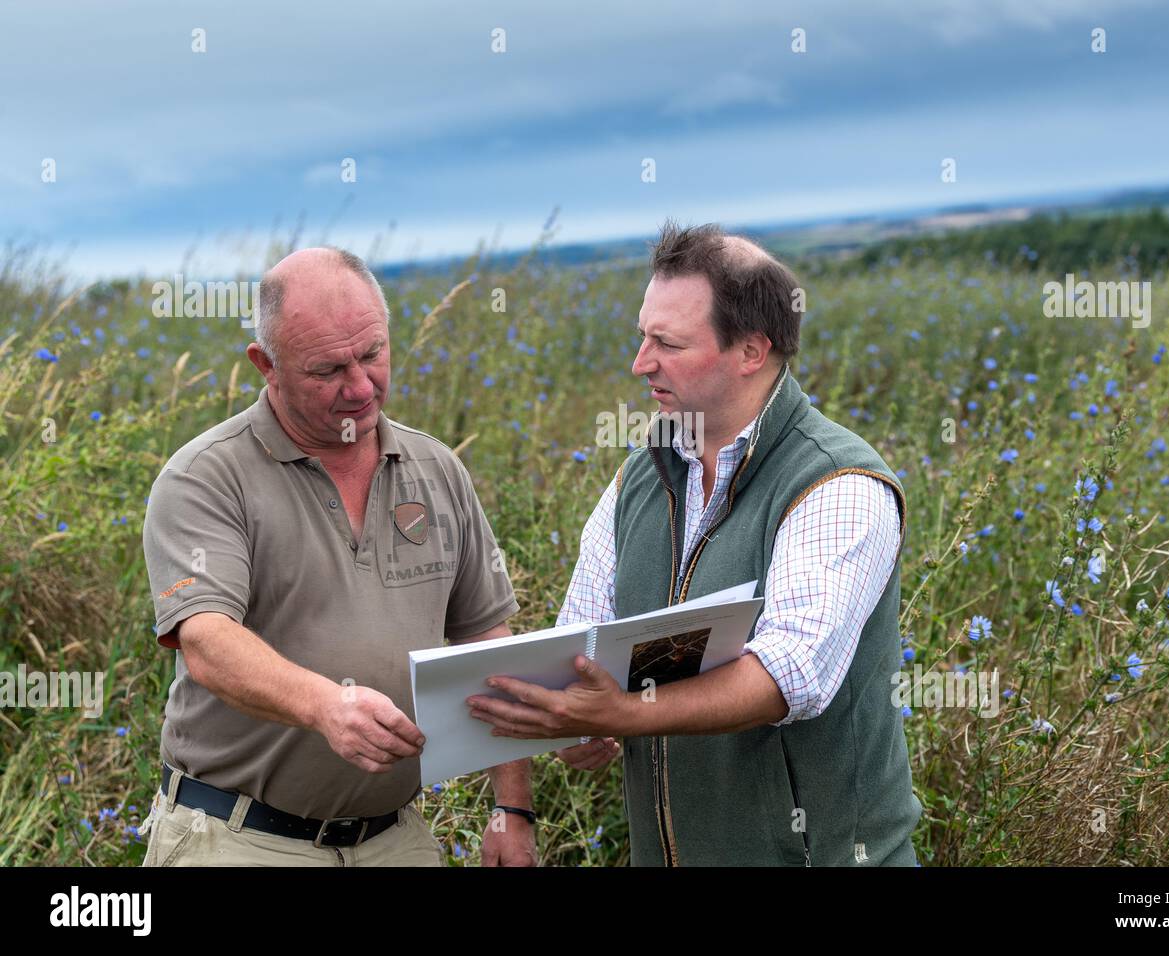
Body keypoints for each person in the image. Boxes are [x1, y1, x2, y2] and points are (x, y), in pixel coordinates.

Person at [468, 222, 922, 866]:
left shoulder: (837, 483)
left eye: (667, 343)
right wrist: (570, 720)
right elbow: (581, 646)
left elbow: (790, 677)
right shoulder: (636, 480)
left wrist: (619, 713)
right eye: (641, 337)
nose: (640, 363)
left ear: (751, 352)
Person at [140, 247, 536, 866]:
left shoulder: (438, 471)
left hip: (394, 839)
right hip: (240, 840)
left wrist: (511, 809)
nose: (359, 386)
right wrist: (327, 707)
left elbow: (487, 644)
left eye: (373, 354)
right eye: (326, 370)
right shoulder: (204, 478)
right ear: (265, 366)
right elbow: (208, 642)